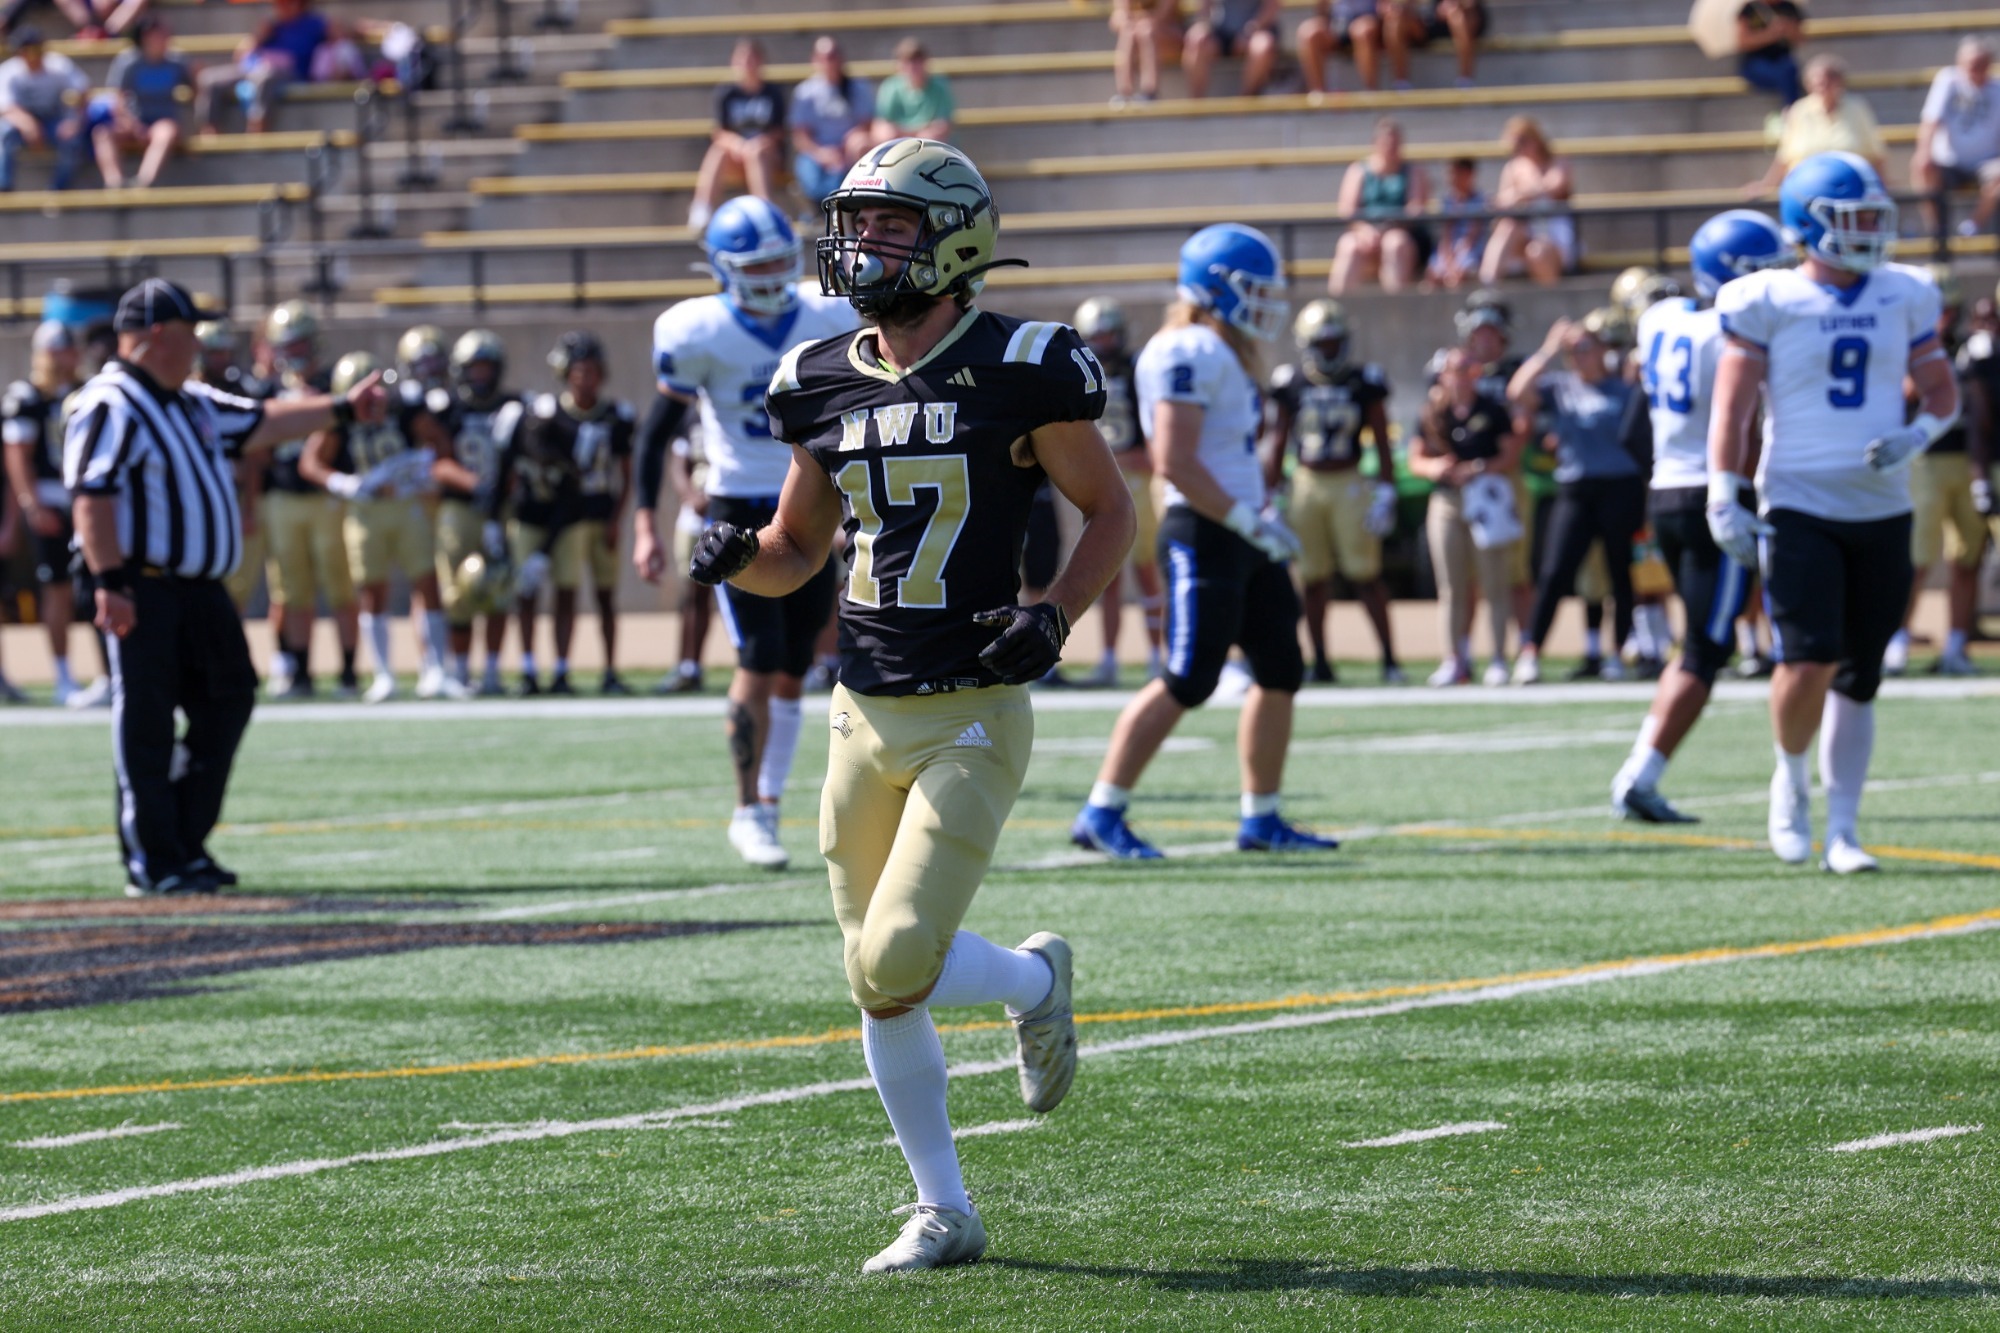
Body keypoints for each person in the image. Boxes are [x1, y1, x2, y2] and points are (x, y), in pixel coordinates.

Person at [690, 136, 1132, 1272]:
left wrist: (1055, 613)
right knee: (876, 983)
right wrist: (734, 558)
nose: (861, 246)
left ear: (955, 241)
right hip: (862, 708)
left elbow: (1111, 511)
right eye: (857, 224)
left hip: (973, 705)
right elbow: (795, 551)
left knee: (893, 955)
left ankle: (1032, 979)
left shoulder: (1025, 362)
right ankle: (945, 1206)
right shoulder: (817, 375)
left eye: (890, 226)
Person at [62, 278, 388, 895]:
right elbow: (92, 497)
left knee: (230, 698)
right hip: (142, 585)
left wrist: (344, 408)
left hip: (200, 589)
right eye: (191, 331)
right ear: (158, 334)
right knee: (148, 721)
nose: (202, 343)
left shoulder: (190, 401)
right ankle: (155, 859)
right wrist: (109, 582)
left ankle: (185, 842)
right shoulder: (110, 402)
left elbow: (262, 422)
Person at [1707, 151, 1958, 873]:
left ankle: (1844, 829)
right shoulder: (1768, 298)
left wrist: (1917, 434)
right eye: (1853, 219)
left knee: (1861, 674)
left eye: (1874, 218)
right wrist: (1723, 491)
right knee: (1808, 657)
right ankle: (1789, 781)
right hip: (1800, 501)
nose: (1869, 232)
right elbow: (1733, 407)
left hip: (1881, 506)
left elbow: (1941, 393)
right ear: (1805, 226)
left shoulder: (1904, 292)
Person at [1074, 223, 1338, 860]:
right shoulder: (1187, 347)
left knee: (1280, 668)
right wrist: (1249, 521)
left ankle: (1262, 817)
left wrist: (1260, 518)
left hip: (1244, 528)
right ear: (1217, 288)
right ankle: (1101, 811)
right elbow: (1174, 460)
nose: (1267, 302)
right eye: (1255, 289)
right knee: (1190, 675)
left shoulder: (1223, 349)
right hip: (1206, 529)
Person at [640, 197, 854, 868]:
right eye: (755, 265)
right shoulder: (697, 330)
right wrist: (646, 525)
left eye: (777, 261)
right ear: (722, 268)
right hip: (737, 508)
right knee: (758, 659)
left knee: (795, 664)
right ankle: (747, 809)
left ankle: (769, 798)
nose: (770, 275)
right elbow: (655, 435)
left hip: (811, 499)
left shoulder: (828, 314)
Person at [1610, 209, 1791, 822]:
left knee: (1700, 643)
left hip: (1665, 491)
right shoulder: (1735, 333)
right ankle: (1640, 776)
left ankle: (1641, 772)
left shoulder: (1660, 319)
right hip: (1717, 492)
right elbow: (1747, 416)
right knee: (1707, 649)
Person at [300, 351, 467, 703]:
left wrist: (421, 471)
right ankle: (384, 675)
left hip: (406, 506)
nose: (371, 405)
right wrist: (344, 483)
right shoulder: (340, 419)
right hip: (366, 511)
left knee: (427, 582)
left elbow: (440, 445)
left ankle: (437, 670)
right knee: (372, 590)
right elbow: (311, 463)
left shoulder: (405, 408)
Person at [488, 333, 634, 697]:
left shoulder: (585, 428)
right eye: (579, 371)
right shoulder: (536, 421)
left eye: (591, 371)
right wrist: (494, 521)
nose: (585, 378)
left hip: (579, 515)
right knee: (527, 592)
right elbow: (505, 476)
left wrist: (616, 519)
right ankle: (529, 669)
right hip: (541, 516)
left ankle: (579, 670)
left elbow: (591, 483)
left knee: (583, 593)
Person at [1266, 299, 1401, 684]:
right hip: (1306, 483)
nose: (1328, 350)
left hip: (1349, 480)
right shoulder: (1290, 382)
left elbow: (1382, 440)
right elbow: (1278, 440)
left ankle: (1390, 660)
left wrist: (1387, 490)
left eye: (1334, 342)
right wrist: (1270, 496)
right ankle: (1321, 661)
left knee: (1365, 574)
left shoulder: (1364, 380)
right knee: (1312, 578)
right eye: (1321, 343)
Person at [1507, 317, 1645, 684]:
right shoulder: (1559, 387)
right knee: (1554, 571)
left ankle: (1618, 652)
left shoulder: (1623, 389)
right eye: (1572, 350)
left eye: (1584, 348)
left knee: (1619, 571)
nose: (1577, 356)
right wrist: (1549, 349)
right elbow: (1516, 392)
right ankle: (1531, 651)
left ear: (1601, 350)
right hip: (1575, 487)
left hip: (1620, 486)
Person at [256, 301, 359, 699]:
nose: (296, 352)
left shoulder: (334, 384)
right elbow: (258, 450)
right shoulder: (268, 389)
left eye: (300, 343)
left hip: (326, 498)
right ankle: (301, 673)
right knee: (292, 592)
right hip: (283, 498)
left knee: (340, 588)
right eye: (289, 344)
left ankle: (348, 673)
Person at [1887, 265, 1982, 678]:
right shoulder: (1902, 345)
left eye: (1947, 309)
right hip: (1924, 460)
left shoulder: (1972, 347)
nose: (1942, 317)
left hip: (1969, 460)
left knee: (1967, 557)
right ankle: (1897, 640)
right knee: (1916, 559)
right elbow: (1905, 394)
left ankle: (1956, 645)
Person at [3, 318, 102, 705]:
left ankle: (109, 673)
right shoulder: (27, 397)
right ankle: (63, 675)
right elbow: (17, 455)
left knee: (96, 586)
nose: (66, 357)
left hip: (84, 499)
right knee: (57, 588)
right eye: (58, 350)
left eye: (69, 349)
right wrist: (31, 504)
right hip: (49, 500)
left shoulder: (85, 391)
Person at [1411, 346, 1522, 686]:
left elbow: (1509, 455)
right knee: (1452, 586)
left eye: (1468, 370)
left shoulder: (1491, 409)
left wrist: (1479, 467)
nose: (1462, 378)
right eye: (1455, 370)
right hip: (1447, 500)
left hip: (1485, 497)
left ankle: (1499, 658)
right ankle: (1453, 658)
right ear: (1443, 375)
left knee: (1494, 582)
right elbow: (1416, 459)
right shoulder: (1434, 413)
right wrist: (1436, 468)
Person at [1075, 296, 1163, 684]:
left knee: (1146, 571)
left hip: (1139, 480)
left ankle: (1158, 656)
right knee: (1106, 577)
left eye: (1109, 334)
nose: (1104, 343)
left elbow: (1154, 441)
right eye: (1097, 336)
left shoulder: (1137, 370)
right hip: (1102, 482)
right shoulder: (1080, 374)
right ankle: (1109, 658)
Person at [440, 328, 519, 695]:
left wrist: (502, 490)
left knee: (498, 588)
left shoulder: (513, 407)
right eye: (475, 367)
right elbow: (436, 460)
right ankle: (459, 672)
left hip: (501, 511)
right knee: (457, 592)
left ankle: (491, 672)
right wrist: (473, 483)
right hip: (460, 508)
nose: (482, 375)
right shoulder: (448, 408)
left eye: (487, 367)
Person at [1744, 54, 1883, 199]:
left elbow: (1876, 154)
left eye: (1829, 79)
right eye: (1818, 81)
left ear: (1839, 81)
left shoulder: (1857, 108)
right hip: (1805, 194)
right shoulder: (1799, 110)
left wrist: (1882, 188)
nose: (1823, 85)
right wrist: (1767, 185)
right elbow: (1784, 157)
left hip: (1850, 193)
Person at [687, 38, 786, 232]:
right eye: (743, 59)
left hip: (767, 156)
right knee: (718, 151)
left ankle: (764, 212)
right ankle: (702, 208)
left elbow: (779, 131)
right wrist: (738, 145)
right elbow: (720, 132)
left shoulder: (773, 92)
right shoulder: (726, 92)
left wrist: (757, 144)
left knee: (756, 153)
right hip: (737, 156)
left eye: (752, 58)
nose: (747, 64)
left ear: (761, 61)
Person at [1329, 118, 1431, 296]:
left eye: (1395, 143)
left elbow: (1415, 208)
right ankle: (1338, 303)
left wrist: (1389, 229)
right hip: (1365, 234)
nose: (1391, 148)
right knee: (1348, 245)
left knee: (1395, 243)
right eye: (1387, 143)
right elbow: (1347, 209)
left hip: (1400, 230)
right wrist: (1365, 230)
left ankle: (1394, 306)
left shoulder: (1413, 171)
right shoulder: (1358, 170)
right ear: (1375, 143)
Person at [194, 0, 328, 135]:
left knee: (264, 76)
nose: (280, 7)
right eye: (279, 4)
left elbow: (336, 41)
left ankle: (257, 127)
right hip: (254, 68)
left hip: (288, 72)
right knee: (209, 78)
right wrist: (258, 37)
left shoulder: (316, 24)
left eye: (287, 3)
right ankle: (210, 133)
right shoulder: (273, 25)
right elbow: (239, 56)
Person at [1913, 37, 2000, 240]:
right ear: (1959, 63)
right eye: (1971, 64)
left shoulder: (1997, 89)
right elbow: (1930, 122)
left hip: (1986, 163)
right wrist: (1923, 153)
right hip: (1948, 162)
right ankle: (1938, 230)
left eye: (1981, 64)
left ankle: (1972, 226)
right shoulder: (1947, 80)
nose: (1975, 70)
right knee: (1922, 167)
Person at [92, 14, 190, 189]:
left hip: (163, 120)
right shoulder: (127, 62)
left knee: (165, 132)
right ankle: (114, 182)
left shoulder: (177, 61)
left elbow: (195, 86)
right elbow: (118, 99)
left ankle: (144, 181)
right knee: (102, 133)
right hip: (132, 122)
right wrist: (133, 125)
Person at [1480, 116, 1574, 287]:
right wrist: (1523, 192)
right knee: (1508, 227)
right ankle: (1487, 285)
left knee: (1537, 253)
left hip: (1554, 235)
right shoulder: (1514, 167)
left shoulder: (1557, 162)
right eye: (1515, 146)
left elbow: (1556, 186)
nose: (1518, 150)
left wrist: (1524, 193)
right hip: (1526, 231)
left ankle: (1553, 299)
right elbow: (1502, 202)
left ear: (1535, 139)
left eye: (1521, 143)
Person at [788, 36, 873, 211]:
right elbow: (800, 136)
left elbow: (867, 125)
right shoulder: (805, 93)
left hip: (848, 151)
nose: (829, 62)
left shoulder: (858, 87)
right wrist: (821, 154)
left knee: (862, 148)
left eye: (833, 56)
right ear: (815, 60)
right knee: (812, 179)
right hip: (816, 153)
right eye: (825, 57)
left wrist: (845, 149)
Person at [0, 27, 87, 192]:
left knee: (72, 139)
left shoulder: (58, 65)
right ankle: (4, 187)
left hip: (53, 120)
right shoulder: (8, 71)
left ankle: (58, 189)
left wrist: (74, 121)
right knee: (4, 131)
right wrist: (29, 125)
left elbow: (82, 91)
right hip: (20, 124)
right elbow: (5, 107)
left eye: (37, 50)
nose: (33, 56)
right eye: (28, 51)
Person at [1183, 0, 1279, 100]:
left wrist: (1250, 31)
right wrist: (1205, 26)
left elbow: (1271, 7)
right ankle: (1197, 103)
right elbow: (1205, 9)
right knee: (1196, 39)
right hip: (1221, 33)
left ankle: (1246, 101)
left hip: (1256, 30)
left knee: (1263, 46)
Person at [871, 39, 954, 144]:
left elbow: (943, 125)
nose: (912, 67)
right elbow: (880, 125)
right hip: (899, 141)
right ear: (899, 65)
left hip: (929, 142)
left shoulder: (939, 86)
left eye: (916, 61)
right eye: (907, 62)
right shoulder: (890, 87)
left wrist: (911, 135)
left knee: (931, 137)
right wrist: (911, 134)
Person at [1108, 0, 1180, 107]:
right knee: (1128, 32)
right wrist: (1127, 21)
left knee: (1146, 31)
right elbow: (1118, 18)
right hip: (1141, 31)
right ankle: (1124, 93)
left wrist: (1140, 20)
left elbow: (1163, 15)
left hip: (1170, 33)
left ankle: (1150, 91)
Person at [1428, 156, 1485, 289]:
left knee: (1460, 274)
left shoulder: (1479, 200)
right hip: (1450, 248)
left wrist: (1456, 260)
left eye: (1457, 173)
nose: (1452, 178)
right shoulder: (1447, 201)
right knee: (1433, 276)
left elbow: (1472, 235)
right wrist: (1448, 258)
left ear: (1469, 174)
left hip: (1471, 249)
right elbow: (1445, 234)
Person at [1736, 0, 1804, 108]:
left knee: (1788, 71)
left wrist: (1788, 28)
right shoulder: (1750, 8)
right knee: (1785, 76)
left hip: (1782, 60)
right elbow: (1743, 42)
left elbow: (1799, 38)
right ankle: (1792, 109)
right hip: (1755, 63)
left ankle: (1793, 108)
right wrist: (1771, 34)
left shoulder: (1788, 7)